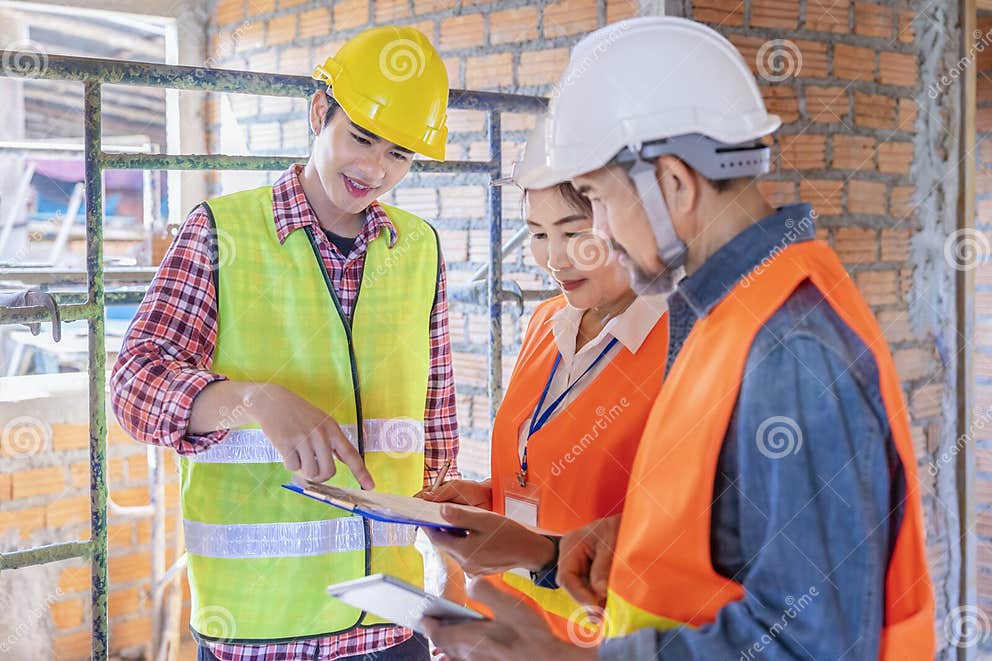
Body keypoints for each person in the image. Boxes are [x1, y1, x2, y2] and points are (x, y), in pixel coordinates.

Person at [424, 16, 935, 660]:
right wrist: (610, 541)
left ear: (673, 182)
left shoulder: (789, 350)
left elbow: (816, 642)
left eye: (595, 199)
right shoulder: (725, 317)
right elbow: (737, 552)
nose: (598, 232)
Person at [111, 26, 457, 661]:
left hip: (391, 618)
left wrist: (449, 556)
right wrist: (255, 400)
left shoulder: (421, 248)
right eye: (360, 137)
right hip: (258, 625)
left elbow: (435, 425)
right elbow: (134, 385)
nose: (374, 169)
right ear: (318, 111)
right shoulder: (221, 233)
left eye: (401, 155)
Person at [418, 117, 668, 640]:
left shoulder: (679, 344)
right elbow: (550, 471)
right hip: (510, 626)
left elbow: (681, 533)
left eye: (574, 233)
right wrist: (488, 498)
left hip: (602, 639)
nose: (553, 259)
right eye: (537, 234)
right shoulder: (546, 322)